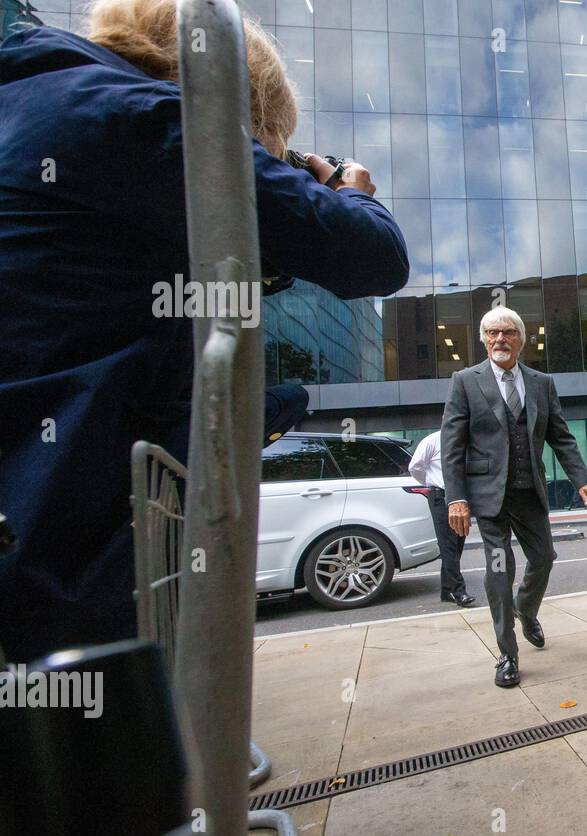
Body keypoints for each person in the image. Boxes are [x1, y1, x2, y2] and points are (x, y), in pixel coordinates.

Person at [0, 0, 409, 664]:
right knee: (90, 714)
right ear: (235, 99)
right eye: (265, 146)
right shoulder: (144, 116)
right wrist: (349, 188)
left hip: (35, 483)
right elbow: (375, 257)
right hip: (60, 516)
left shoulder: (37, 100)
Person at [440, 307, 587, 688]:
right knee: (499, 569)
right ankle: (508, 654)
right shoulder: (465, 381)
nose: (500, 339)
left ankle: (525, 609)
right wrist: (456, 498)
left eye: (508, 332)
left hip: (529, 493)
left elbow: (561, 436)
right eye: (492, 333)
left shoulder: (541, 383)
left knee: (544, 558)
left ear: (521, 340)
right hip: (489, 499)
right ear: (483, 339)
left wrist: (581, 479)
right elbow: (452, 445)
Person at [407, 429, 476, 608]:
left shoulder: (466, 439)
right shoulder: (432, 440)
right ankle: (459, 592)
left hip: (462, 497)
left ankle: (447, 590)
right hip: (440, 495)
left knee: (458, 542)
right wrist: (432, 482)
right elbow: (415, 467)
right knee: (448, 545)